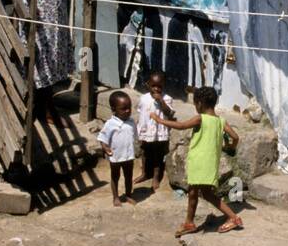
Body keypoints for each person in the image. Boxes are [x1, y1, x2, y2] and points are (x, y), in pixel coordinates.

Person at [153, 86, 244, 236]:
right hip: (210, 163)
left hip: (198, 162)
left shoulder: (200, 118)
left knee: (200, 193)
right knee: (197, 192)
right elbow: (235, 137)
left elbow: (181, 126)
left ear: (200, 103)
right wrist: (228, 147)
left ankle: (232, 217)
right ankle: (190, 222)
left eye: (195, 104)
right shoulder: (221, 121)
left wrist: (159, 120)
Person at [136, 72, 175, 192]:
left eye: (159, 86)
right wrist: (140, 129)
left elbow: (169, 113)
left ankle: (156, 177)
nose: (156, 89)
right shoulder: (143, 98)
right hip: (146, 131)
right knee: (145, 152)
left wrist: (161, 101)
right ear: (148, 85)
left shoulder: (167, 98)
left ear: (163, 85)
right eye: (153, 86)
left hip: (159, 132)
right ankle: (144, 173)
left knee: (157, 155)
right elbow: (141, 113)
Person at [98, 90, 136, 206]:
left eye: (129, 107)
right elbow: (102, 138)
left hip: (129, 155)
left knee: (129, 176)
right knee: (115, 176)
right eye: (123, 108)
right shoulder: (110, 124)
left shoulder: (131, 121)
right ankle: (116, 197)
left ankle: (128, 195)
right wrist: (105, 148)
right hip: (115, 156)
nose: (128, 110)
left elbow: (134, 135)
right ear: (114, 110)